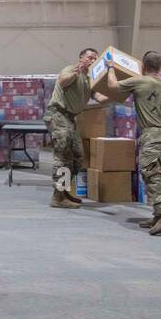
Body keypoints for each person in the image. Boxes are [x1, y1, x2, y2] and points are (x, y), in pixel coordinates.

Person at [96, 51, 161, 235]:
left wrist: (110, 67)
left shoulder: (140, 81)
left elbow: (112, 85)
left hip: (153, 133)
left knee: (150, 171)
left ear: (143, 66)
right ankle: (160, 214)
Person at [44, 48, 108, 209]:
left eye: (95, 59)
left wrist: (118, 92)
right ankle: (58, 197)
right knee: (63, 157)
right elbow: (62, 81)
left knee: (78, 157)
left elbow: (100, 98)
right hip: (58, 115)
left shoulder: (90, 79)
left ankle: (63, 190)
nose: (92, 61)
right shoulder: (71, 70)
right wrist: (75, 72)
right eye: (89, 57)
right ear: (81, 58)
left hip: (70, 119)